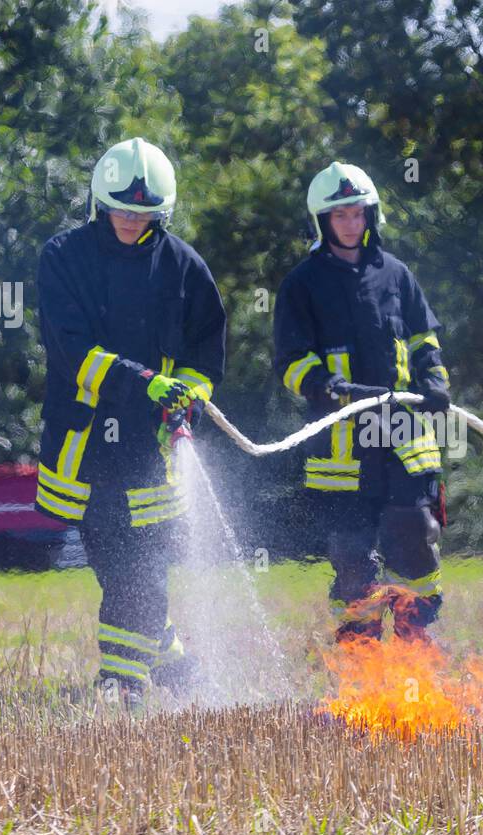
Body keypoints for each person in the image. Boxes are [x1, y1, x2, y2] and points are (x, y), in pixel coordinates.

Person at [35, 137, 227, 707]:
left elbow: (205, 353)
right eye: (121, 208)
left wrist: (187, 397)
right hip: (86, 442)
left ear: (160, 214)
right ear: (99, 202)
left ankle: (122, 683)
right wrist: (146, 383)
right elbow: (73, 351)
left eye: (143, 212)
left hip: (152, 447)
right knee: (114, 562)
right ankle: (167, 653)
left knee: (138, 565)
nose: (130, 218)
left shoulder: (184, 266)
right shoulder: (63, 257)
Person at [273, 161, 452, 642]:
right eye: (341, 216)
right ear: (323, 221)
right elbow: (290, 360)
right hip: (342, 448)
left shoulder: (395, 274)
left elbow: (424, 337)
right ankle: (362, 661)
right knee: (353, 558)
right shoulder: (302, 284)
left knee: (414, 536)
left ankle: (417, 646)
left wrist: (434, 379)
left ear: (370, 215)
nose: (352, 224)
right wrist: (324, 386)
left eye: (358, 214)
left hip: (402, 437)